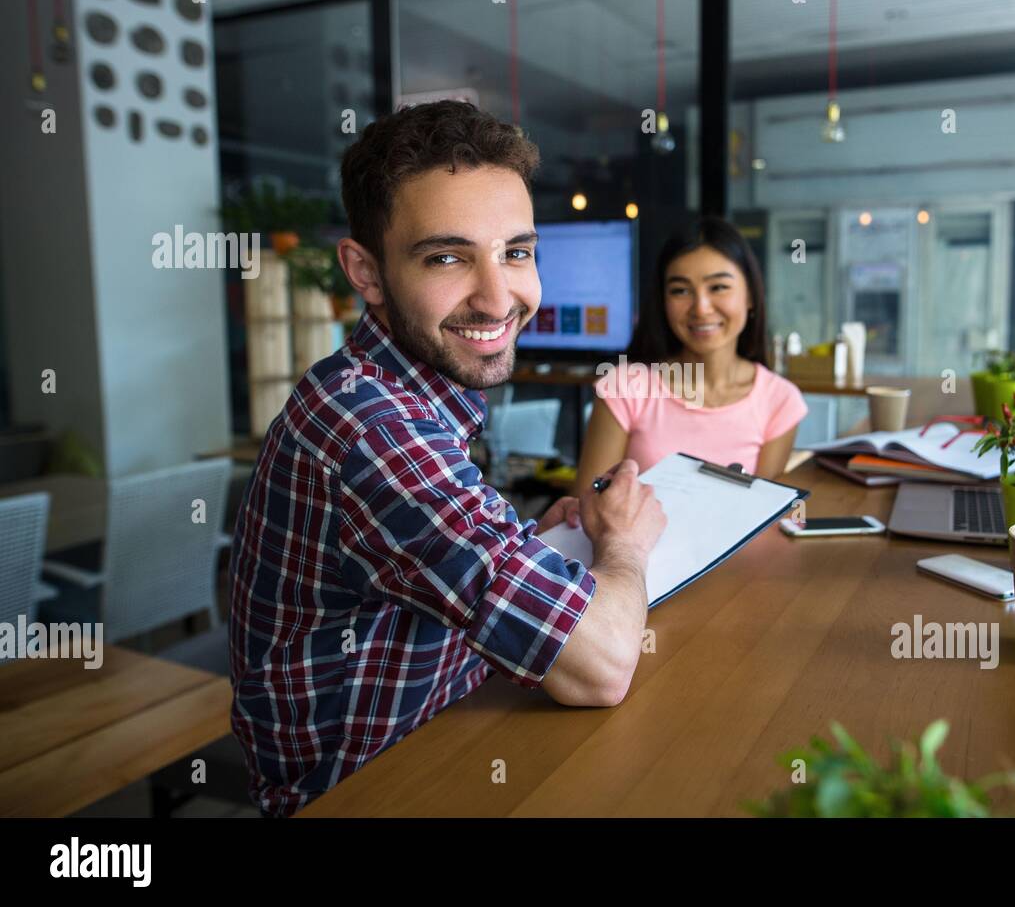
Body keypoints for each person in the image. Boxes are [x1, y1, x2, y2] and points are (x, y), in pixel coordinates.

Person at [228, 100, 666, 816]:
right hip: (365, 794)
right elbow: (604, 662)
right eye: (446, 257)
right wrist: (625, 547)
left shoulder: (396, 390)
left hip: (440, 741)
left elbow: (415, 570)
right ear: (366, 272)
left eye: (516, 252)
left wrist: (524, 547)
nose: (498, 298)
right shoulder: (371, 429)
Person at [575, 217, 807, 491]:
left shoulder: (780, 401)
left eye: (718, 287)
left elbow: (764, 510)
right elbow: (586, 503)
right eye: (680, 291)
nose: (701, 308)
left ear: (750, 296)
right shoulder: (624, 388)